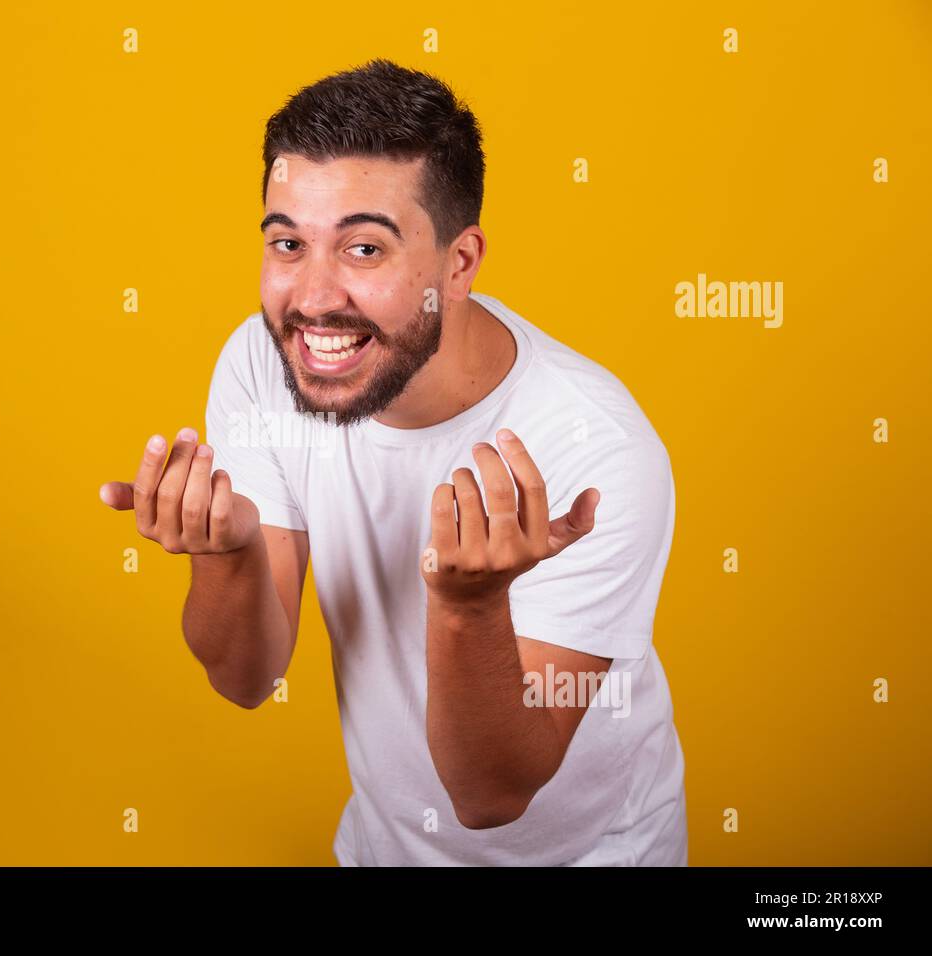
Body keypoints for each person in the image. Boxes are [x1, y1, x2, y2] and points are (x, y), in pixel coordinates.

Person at [100, 58, 686, 866]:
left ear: (460, 261)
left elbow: (491, 798)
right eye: (287, 243)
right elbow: (245, 679)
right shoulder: (265, 363)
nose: (311, 297)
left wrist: (470, 608)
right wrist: (225, 552)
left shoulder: (591, 450)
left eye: (364, 248)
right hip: (380, 848)